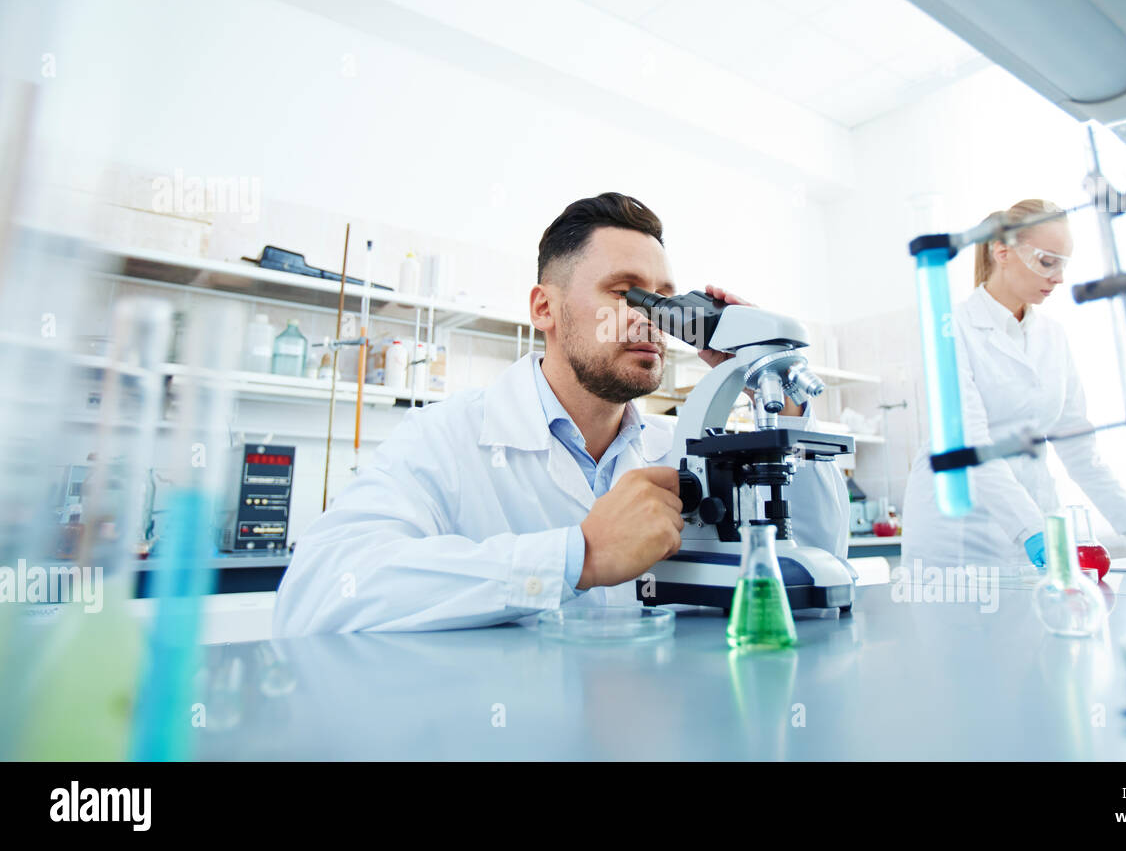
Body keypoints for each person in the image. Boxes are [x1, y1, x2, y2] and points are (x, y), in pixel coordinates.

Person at [273, 192, 848, 635]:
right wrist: (577, 555)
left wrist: (780, 402)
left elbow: (818, 565)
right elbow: (316, 596)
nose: (653, 318)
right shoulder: (444, 438)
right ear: (544, 308)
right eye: (625, 293)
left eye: (666, 302)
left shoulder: (687, 445)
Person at [901, 199, 1126, 573]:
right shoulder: (950, 327)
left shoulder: (1053, 336)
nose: (1059, 278)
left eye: (1064, 264)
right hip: (956, 536)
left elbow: (1079, 449)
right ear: (1002, 251)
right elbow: (971, 443)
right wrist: (1031, 529)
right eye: (1047, 261)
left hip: (1033, 522)